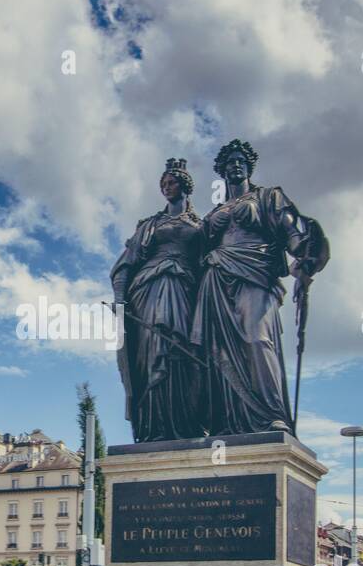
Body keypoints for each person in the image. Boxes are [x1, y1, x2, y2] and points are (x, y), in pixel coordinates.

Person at [190, 139, 330, 436]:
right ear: (222, 170)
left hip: (255, 271)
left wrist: (302, 256)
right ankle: (226, 421)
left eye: (241, 160)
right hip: (216, 276)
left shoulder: (269, 197)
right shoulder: (215, 211)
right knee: (218, 352)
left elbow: (291, 232)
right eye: (230, 162)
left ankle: (271, 415)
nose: (236, 165)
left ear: (249, 166)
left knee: (257, 339)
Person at [111, 158, 205, 442]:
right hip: (149, 292)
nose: (166, 188)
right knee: (153, 354)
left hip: (187, 292)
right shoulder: (150, 225)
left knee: (183, 355)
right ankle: (154, 427)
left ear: (185, 186)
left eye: (172, 182)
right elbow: (126, 264)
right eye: (163, 184)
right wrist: (119, 300)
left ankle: (186, 424)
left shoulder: (202, 225)